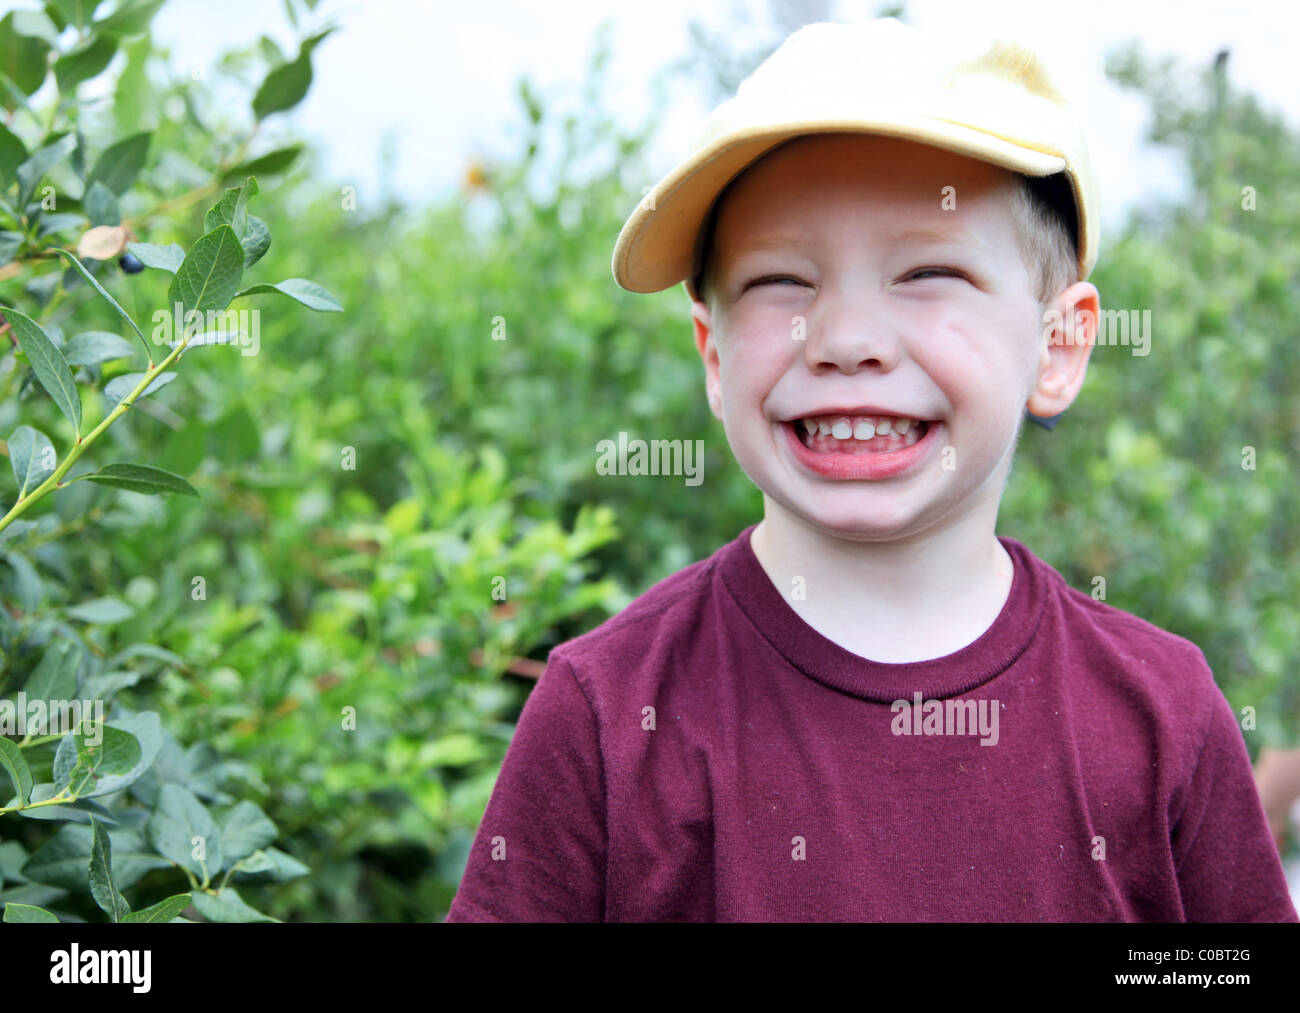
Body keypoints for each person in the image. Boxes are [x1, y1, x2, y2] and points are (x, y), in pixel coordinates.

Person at [445, 18, 1297, 922]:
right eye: (782, 281)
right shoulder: (607, 715)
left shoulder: (1161, 716)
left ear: (1059, 344)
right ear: (713, 354)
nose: (846, 340)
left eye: (927, 271)